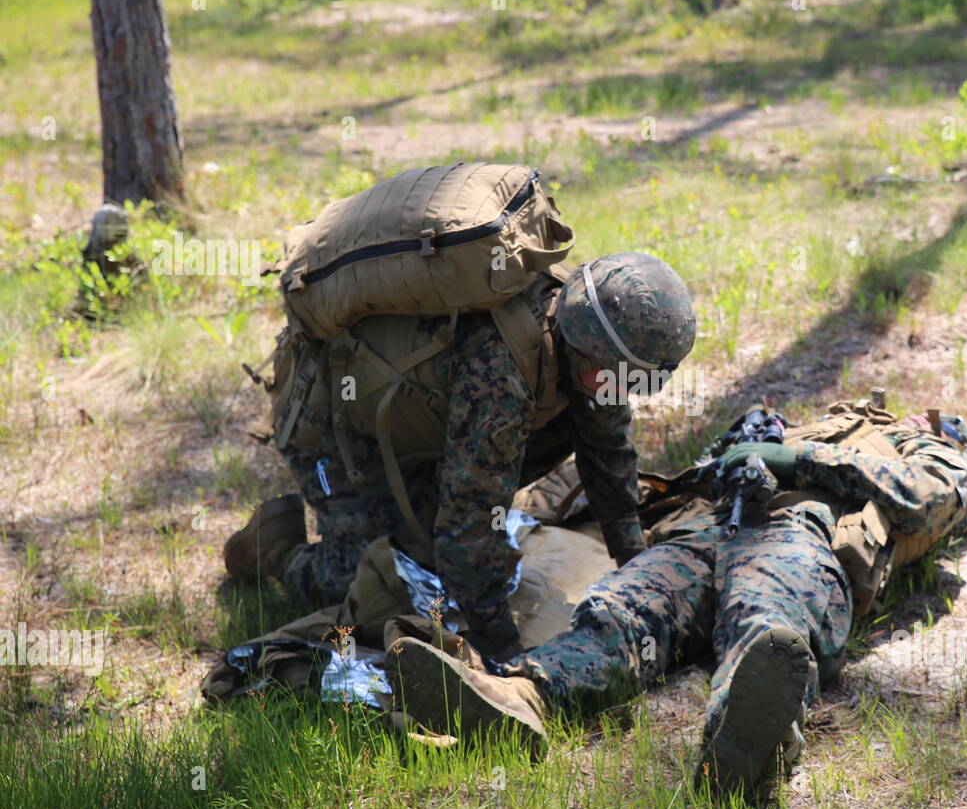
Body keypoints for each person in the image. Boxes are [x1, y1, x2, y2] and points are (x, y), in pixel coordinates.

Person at [383, 401, 967, 797]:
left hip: (799, 534)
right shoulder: (790, 424)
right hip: (704, 532)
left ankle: (742, 750)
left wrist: (797, 458)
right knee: (621, 614)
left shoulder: (926, 448)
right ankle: (524, 697)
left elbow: (929, 496)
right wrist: (733, 457)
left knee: (768, 627)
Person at [223, 251, 696, 660]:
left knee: (433, 555)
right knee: (374, 581)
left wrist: (635, 566)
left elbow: (607, 452)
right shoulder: (501, 377)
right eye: (626, 376)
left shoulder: (586, 337)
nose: (628, 391)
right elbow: (470, 523)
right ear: (586, 348)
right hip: (334, 426)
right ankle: (272, 549)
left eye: (642, 382)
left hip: (422, 434)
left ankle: (415, 515)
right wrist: (504, 649)